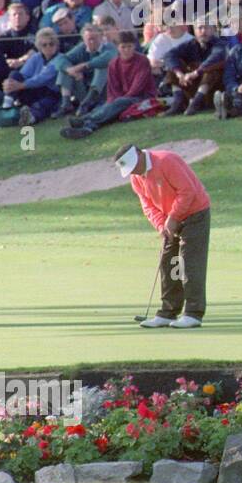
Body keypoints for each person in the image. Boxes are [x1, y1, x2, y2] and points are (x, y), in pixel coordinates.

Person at [116, 143, 211, 329]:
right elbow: (147, 205)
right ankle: (168, 312)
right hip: (170, 218)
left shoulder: (166, 161)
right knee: (169, 262)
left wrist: (173, 217)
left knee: (189, 263)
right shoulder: (136, 178)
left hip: (195, 214)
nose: (133, 172)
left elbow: (188, 191)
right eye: (130, 170)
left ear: (139, 154)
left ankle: (193, 313)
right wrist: (161, 224)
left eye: (134, 166)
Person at [60, 30, 157, 138]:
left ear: (134, 46)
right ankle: (88, 127)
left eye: (129, 46)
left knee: (117, 104)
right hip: (121, 99)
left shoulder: (142, 60)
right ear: (118, 47)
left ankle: (84, 120)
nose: (126, 50)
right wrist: (112, 102)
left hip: (142, 97)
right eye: (123, 47)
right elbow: (113, 90)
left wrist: (117, 102)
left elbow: (137, 87)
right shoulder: (113, 64)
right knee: (104, 107)